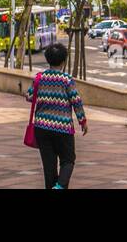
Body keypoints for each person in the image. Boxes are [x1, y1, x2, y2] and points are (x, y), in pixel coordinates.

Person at [25, 41, 87, 190]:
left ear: (48, 59)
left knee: (49, 166)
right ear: (64, 61)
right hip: (62, 128)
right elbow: (76, 101)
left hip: (42, 128)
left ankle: (54, 186)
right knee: (68, 160)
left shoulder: (39, 78)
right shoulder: (67, 80)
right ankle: (60, 186)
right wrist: (82, 121)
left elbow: (28, 96)